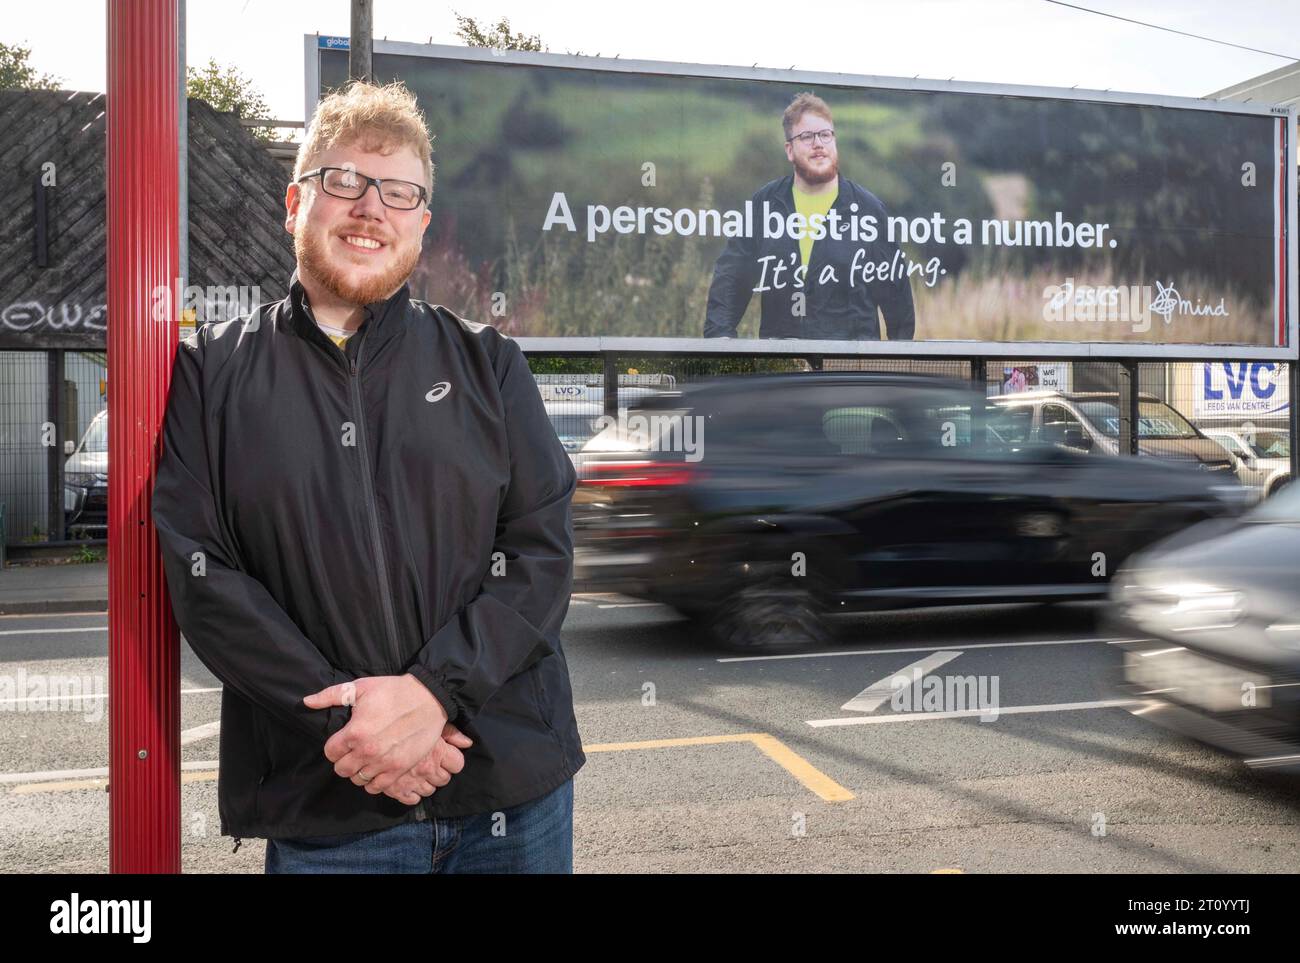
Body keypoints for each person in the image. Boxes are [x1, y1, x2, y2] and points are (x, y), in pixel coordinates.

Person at [151, 81, 585, 874]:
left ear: (421, 221)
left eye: (398, 192)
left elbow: (541, 551)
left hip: (508, 794)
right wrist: (354, 726)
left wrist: (431, 694)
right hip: (330, 808)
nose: (369, 208)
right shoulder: (211, 373)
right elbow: (205, 577)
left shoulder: (490, 364)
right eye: (343, 181)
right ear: (295, 202)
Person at [705, 92, 916, 341]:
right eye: (806, 136)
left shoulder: (868, 209)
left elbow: (898, 300)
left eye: (825, 135)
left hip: (850, 371)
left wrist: (891, 366)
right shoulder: (765, 204)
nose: (818, 143)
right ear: (789, 150)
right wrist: (720, 340)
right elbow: (731, 276)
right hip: (783, 368)